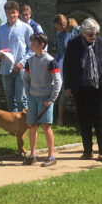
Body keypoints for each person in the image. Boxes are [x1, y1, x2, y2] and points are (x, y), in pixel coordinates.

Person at [62, 18, 102, 160]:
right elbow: (67, 66)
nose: (93, 37)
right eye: (90, 35)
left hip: (98, 87)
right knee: (84, 120)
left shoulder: (101, 42)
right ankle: (88, 151)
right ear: (83, 33)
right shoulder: (73, 44)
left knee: (100, 120)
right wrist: (68, 86)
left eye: (95, 34)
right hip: (81, 87)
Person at [22, 33, 62, 167]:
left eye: (34, 43)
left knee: (46, 126)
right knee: (32, 126)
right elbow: (26, 79)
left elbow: (58, 81)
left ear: (42, 45)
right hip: (33, 97)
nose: (31, 45)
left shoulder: (51, 61)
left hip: (45, 98)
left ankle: (51, 156)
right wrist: (28, 94)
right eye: (31, 43)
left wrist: (51, 99)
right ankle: (32, 155)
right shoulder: (30, 61)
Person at [0, 0, 33, 113]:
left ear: (18, 13)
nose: (11, 15)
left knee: (21, 99)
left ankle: (24, 126)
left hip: (21, 68)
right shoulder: (1, 30)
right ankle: (14, 126)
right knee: (10, 100)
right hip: (5, 68)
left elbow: (32, 48)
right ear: (5, 14)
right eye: (9, 13)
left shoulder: (26, 28)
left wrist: (22, 63)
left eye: (14, 12)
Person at [53, 14, 79, 126]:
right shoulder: (60, 34)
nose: (56, 29)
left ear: (62, 24)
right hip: (63, 63)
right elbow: (59, 51)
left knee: (78, 92)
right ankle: (60, 120)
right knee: (65, 90)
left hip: (76, 64)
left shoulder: (78, 30)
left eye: (57, 26)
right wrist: (54, 63)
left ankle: (80, 119)